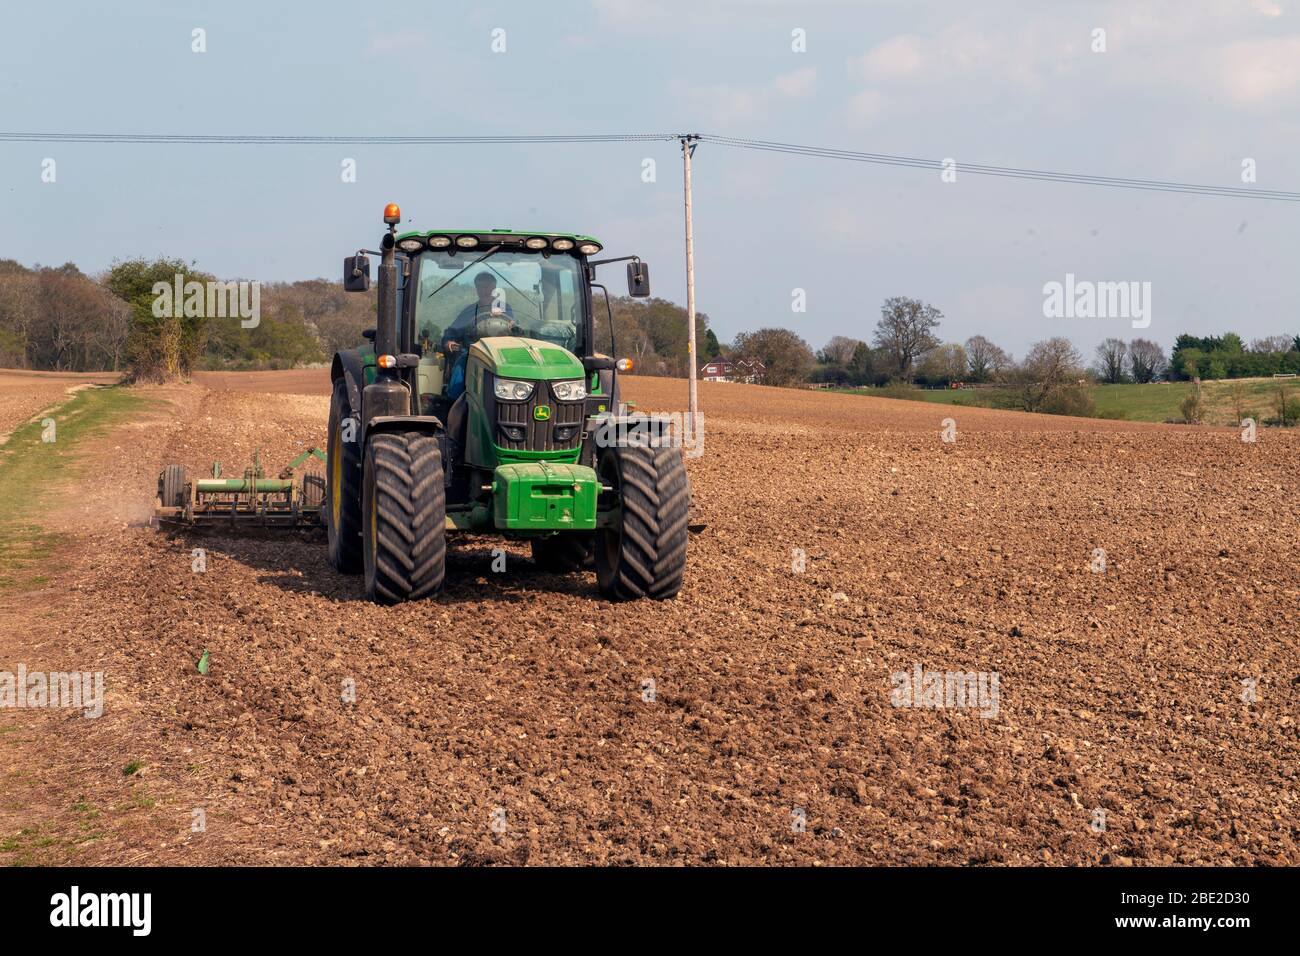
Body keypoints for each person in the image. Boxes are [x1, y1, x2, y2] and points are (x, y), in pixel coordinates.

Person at [441, 272, 514, 400]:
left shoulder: (505, 309)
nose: (484, 290)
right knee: (457, 380)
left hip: (501, 355)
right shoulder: (469, 311)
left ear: (494, 288)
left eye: (488, 287)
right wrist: (448, 342)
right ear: (476, 289)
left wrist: (508, 322)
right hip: (473, 354)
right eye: (481, 287)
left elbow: (514, 329)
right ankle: (455, 404)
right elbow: (452, 331)